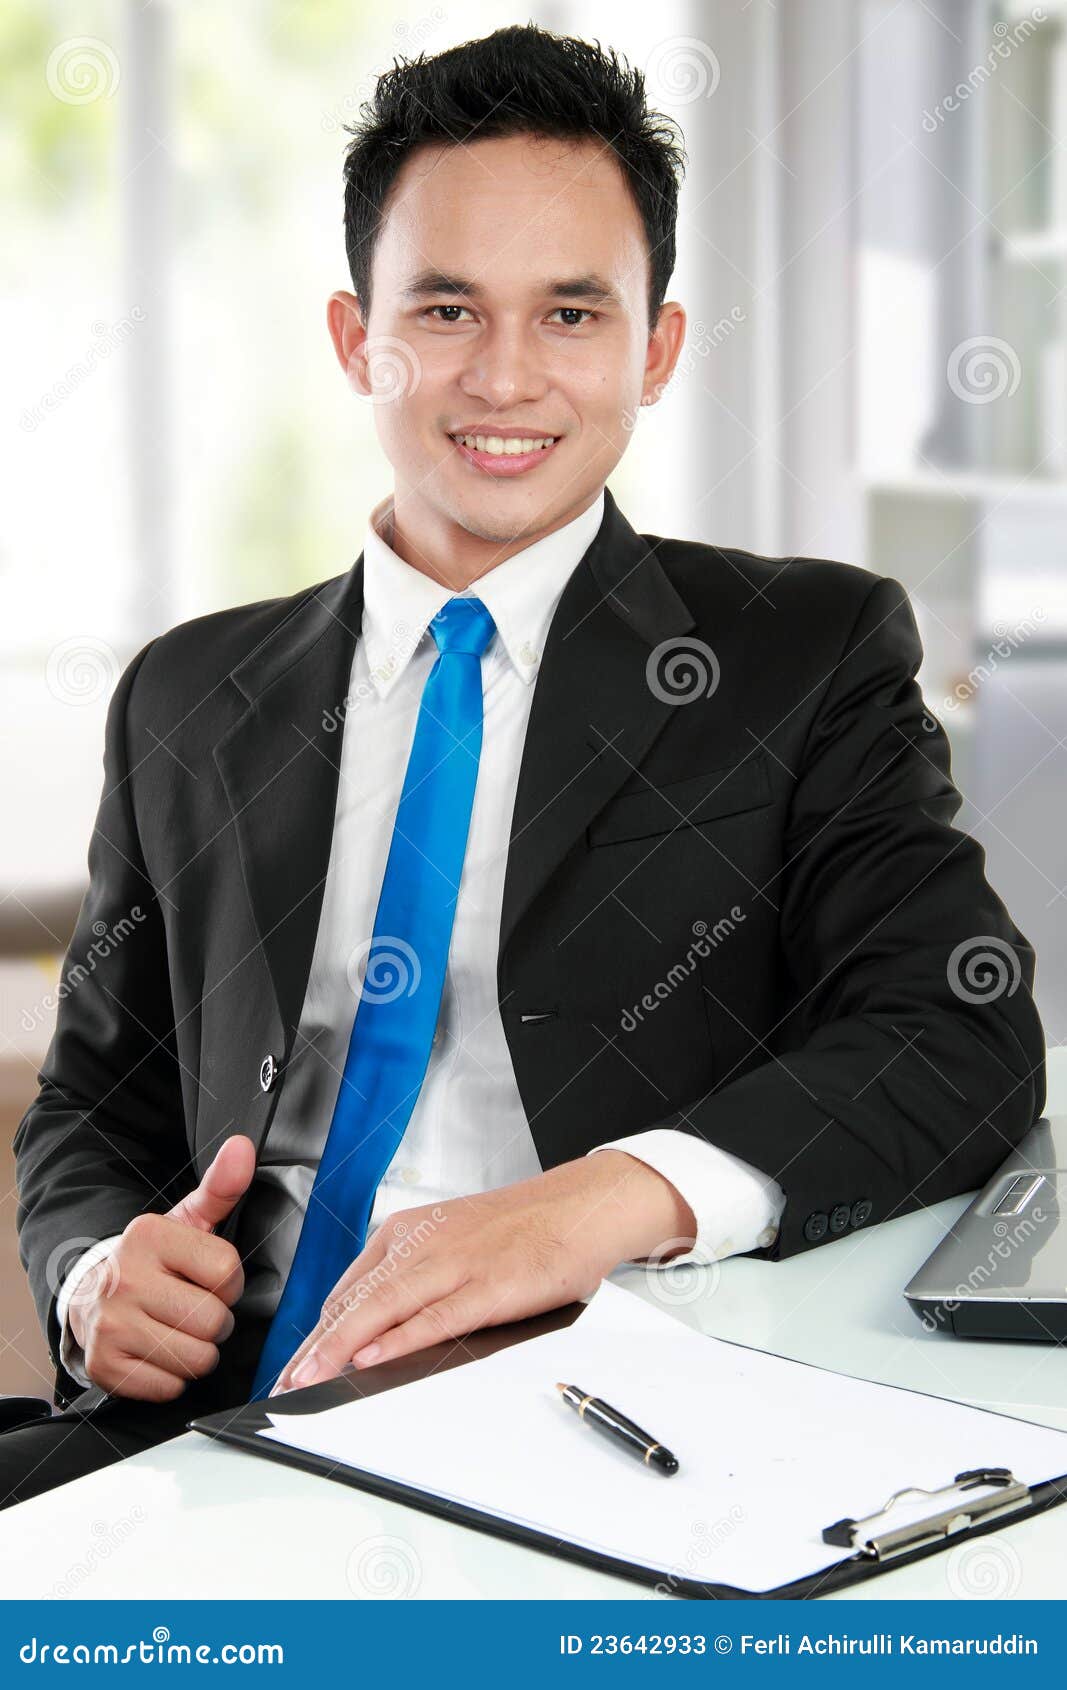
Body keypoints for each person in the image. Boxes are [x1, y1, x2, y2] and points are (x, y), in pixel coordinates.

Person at [5, 22, 1044, 1509]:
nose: (505, 378)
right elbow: (95, 1110)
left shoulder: (798, 653)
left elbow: (959, 1029)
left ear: (656, 347)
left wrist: (594, 1206)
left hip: (608, 1421)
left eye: (571, 314)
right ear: (357, 337)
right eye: (445, 309)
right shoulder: (189, 695)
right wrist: (99, 1269)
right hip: (202, 1437)